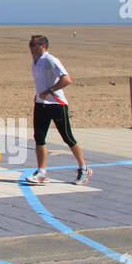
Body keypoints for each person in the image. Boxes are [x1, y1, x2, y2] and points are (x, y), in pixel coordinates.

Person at [26, 34, 91, 185]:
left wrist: (49, 91)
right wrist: (38, 95)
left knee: (67, 137)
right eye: (30, 44)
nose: (30, 47)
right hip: (41, 104)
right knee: (39, 137)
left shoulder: (50, 60)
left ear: (43, 46)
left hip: (56, 104)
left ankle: (83, 168)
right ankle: (41, 172)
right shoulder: (35, 61)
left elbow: (66, 79)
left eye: (33, 44)